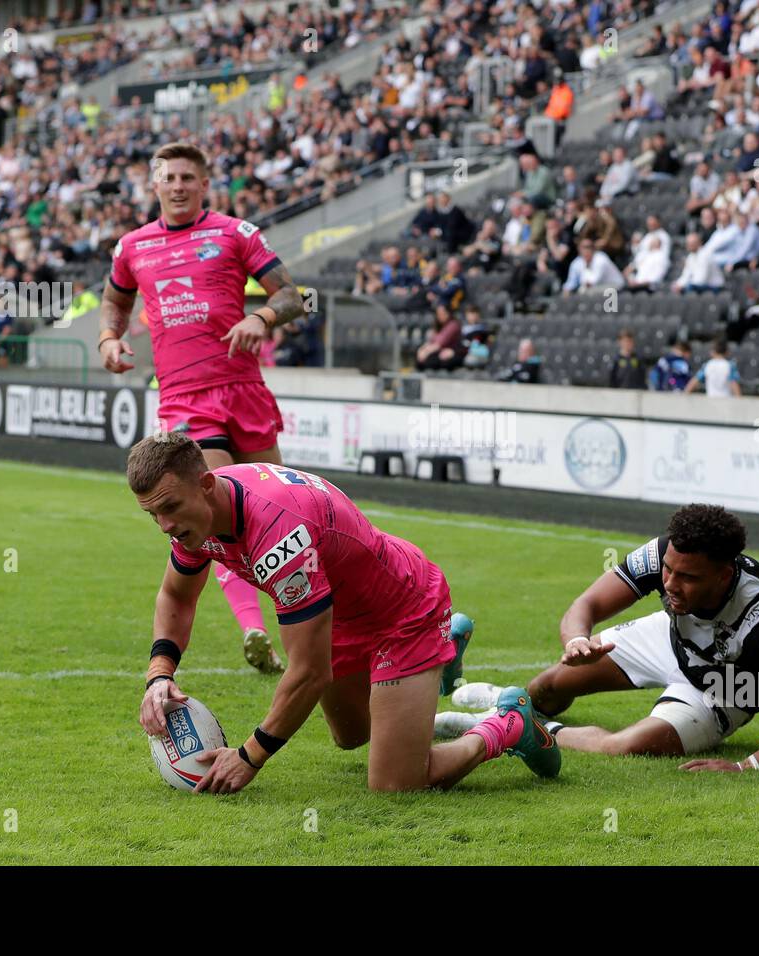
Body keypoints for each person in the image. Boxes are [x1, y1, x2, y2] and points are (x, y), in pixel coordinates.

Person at [129, 434, 560, 792]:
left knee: (394, 782)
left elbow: (310, 671)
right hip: (338, 609)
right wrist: (160, 673)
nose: (165, 525)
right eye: (152, 515)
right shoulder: (199, 514)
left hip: (401, 612)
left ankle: (507, 726)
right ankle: (440, 668)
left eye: (169, 508)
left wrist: (249, 756)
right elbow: (177, 596)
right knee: (352, 735)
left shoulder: (280, 533)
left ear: (206, 484)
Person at [436, 504, 759, 770]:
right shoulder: (668, 553)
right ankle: (504, 702)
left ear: (724, 575)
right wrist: (577, 640)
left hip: (725, 687)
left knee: (625, 746)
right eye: (668, 570)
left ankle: (520, 729)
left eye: (687, 578)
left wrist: (746, 766)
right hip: (670, 640)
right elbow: (587, 606)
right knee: (549, 686)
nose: (670, 583)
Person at [101, 142, 304, 675]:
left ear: (204, 184)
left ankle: (306, 622)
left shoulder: (236, 233)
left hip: (244, 390)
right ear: (155, 186)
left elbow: (292, 295)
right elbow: (116, 299)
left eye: (188, 176)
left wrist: (262, 317)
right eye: (169, 177)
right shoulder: (132, 247)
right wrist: (108, 336)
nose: (178, 185)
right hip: (185, 401)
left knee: (281, 510)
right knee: (211, 505)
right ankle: (252, 626)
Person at [416, 304, 464, 371]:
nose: (440, 316)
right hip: (438, 353)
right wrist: (421, 350)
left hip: (451, 353)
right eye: (438, 314)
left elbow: (439, 344)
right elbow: (431, 341)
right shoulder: (438, 326)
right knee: (420, 361)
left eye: (442, 313)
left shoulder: (453, 325)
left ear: (448, 313)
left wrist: (425, 352)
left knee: (430, 362)